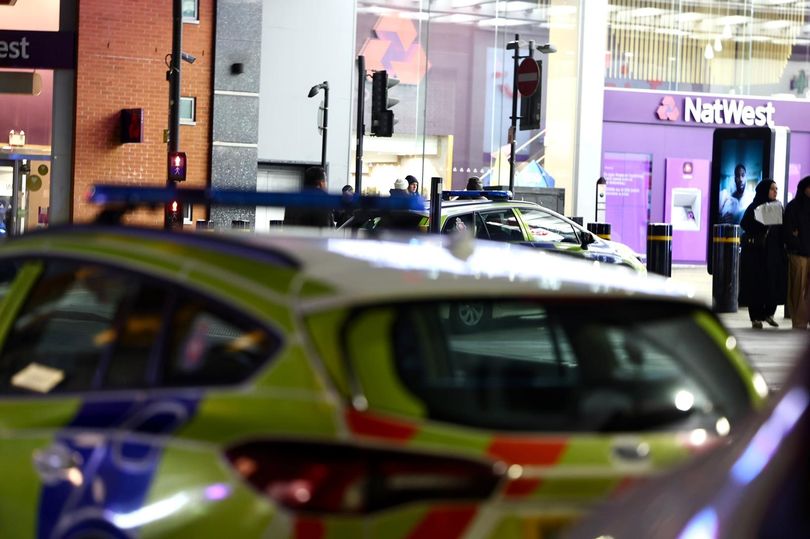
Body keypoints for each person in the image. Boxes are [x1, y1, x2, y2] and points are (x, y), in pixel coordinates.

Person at [739, 179, 786, 329]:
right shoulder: (754, 206)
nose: (775, 191)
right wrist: (761, 221)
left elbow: (782, 228)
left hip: (773, 253)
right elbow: (744, 224)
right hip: (756, 253)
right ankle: (756, 317)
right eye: (772, 189)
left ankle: (769, 314)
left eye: (776, 189)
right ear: (765, 190)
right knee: (756, 285)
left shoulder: (778, 207)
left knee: (773, 283)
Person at [784, 175, 810, 329]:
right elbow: (789, 232)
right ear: (804, 188)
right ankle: (799, 321)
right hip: (798, 254)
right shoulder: (793, 206)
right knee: (798, 289)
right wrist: (798, 244)